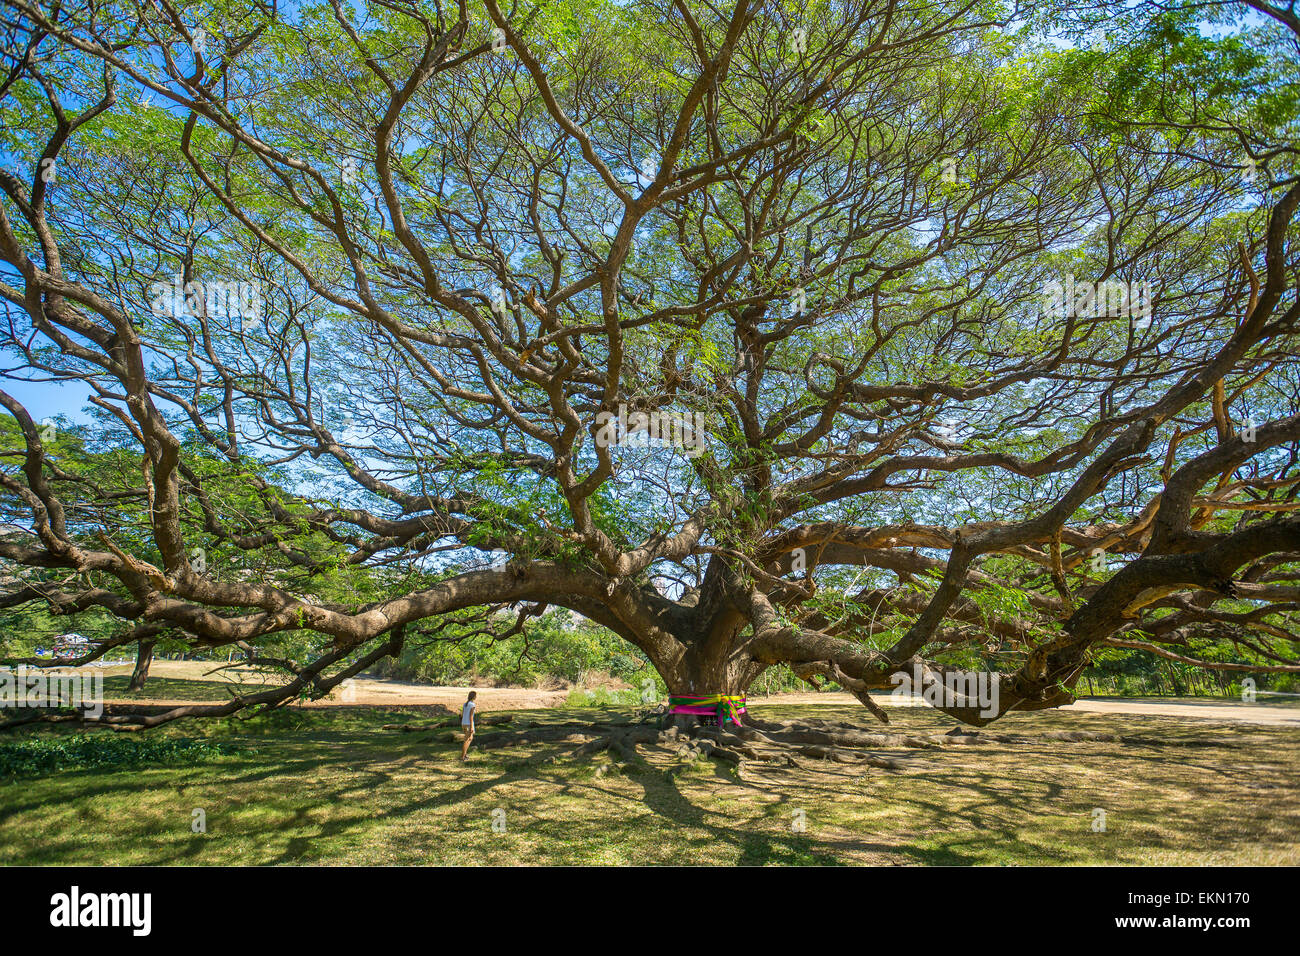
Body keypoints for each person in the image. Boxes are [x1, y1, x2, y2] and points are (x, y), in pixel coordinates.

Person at [460, 691, 477, 761]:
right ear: (473, 697)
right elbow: (471, 716)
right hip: (468, 724)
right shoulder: (472, 705)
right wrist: (472, 726)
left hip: (463, 723)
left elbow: (463, 714)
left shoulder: (465, 704)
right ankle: (463, 757)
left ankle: (465, 754)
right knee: (467, 740)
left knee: (469, 739)